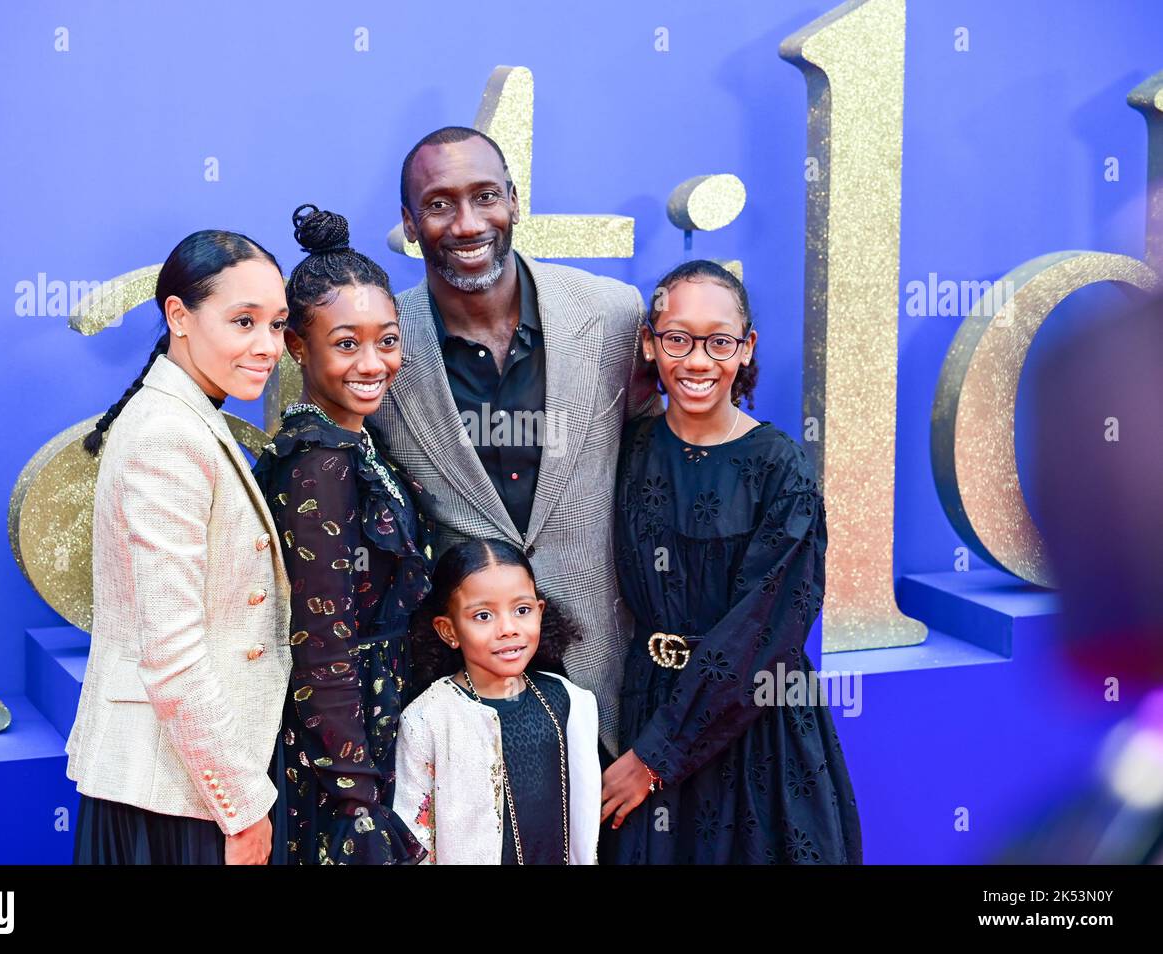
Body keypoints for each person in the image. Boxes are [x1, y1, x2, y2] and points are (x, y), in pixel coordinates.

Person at [369, 125, 660, 761]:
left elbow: (654, 479)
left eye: (485, 196)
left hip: (603, 687)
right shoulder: (377, 346)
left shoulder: (613, 315)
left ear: (514, 200)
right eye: (440, 204)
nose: (468, 222)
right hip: (456, 701)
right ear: (409, 223)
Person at [600, 259, 862, 864]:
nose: (697, 361)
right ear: (650, 343)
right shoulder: (626, 449)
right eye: (677, 338)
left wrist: (655, 757)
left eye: (720, 341)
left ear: (746, 349)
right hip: (646, 703)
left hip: (757, 729)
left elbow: (766, 631)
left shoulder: (780, 468)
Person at [67, 229, 290, 865]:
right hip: (174, 792)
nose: (266, 346)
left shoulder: (186, 415)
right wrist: (242, 808)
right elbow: (172, 654)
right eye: (243, 322)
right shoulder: (167, 435)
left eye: (276, 325)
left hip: (187, 779)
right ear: (178, 317)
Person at [253, 205, 429, 865]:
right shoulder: (317, 464)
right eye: (346, 342)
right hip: (339, 750)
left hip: (382, 716)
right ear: (298, 348)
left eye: (386, 339)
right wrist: (357, 797)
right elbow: (318, 641)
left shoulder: (359, 439)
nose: (374, 361)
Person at [394, 539, 600, 864]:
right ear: (448, 630)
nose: (508, 629)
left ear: (539, 611)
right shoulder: (427, 720)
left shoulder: (570, 702)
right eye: (483, 615)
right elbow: (413, 836)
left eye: (522, 610)